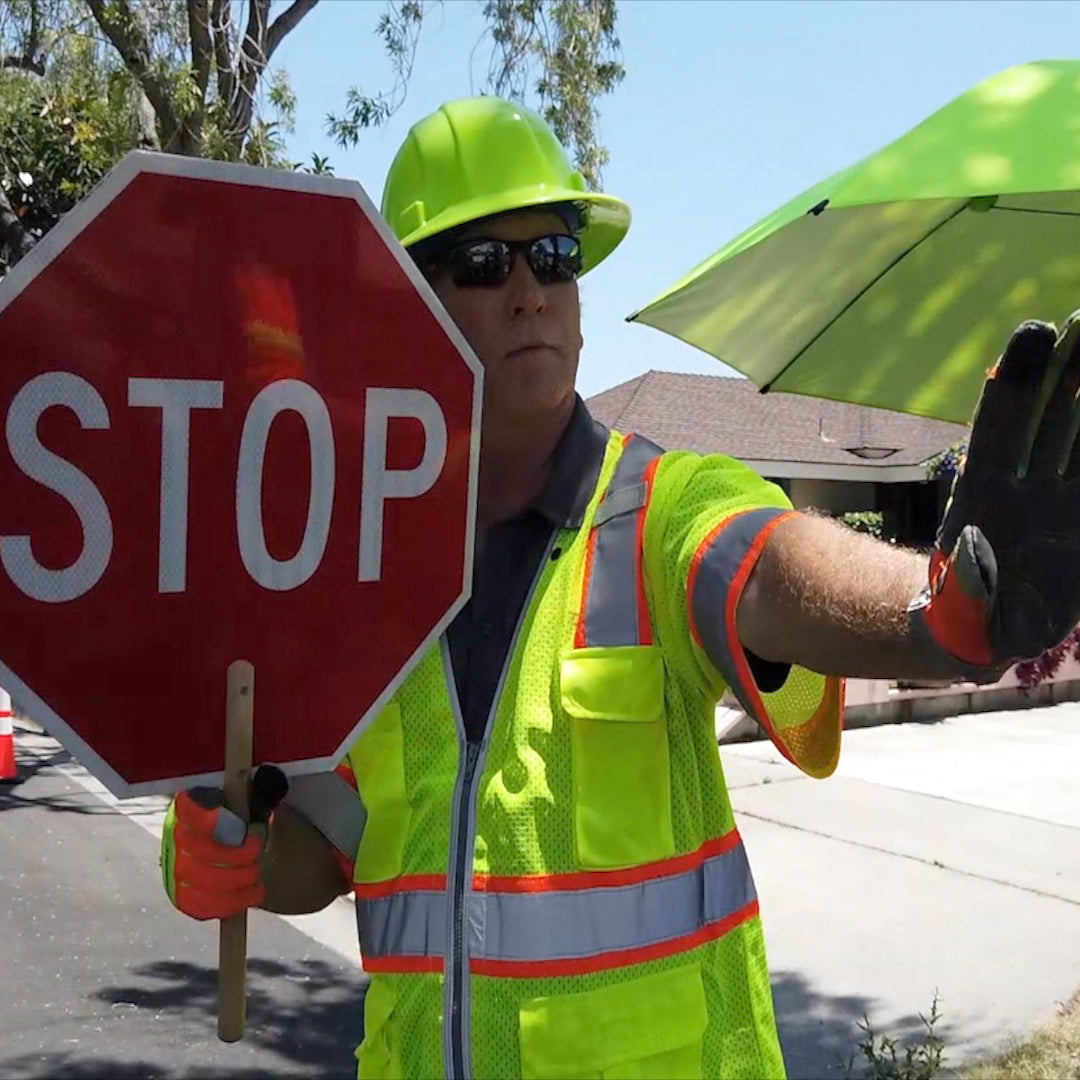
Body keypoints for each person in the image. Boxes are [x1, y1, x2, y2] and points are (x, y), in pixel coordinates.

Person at [159, 96, 1080, 1079]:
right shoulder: (364, 567)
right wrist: (243, 855)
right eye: (482, 263)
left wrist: (937, 615)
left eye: (554, 257)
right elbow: (340, 848)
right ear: (408, 304)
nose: (530, 293)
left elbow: (772, 564)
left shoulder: (661, 508)